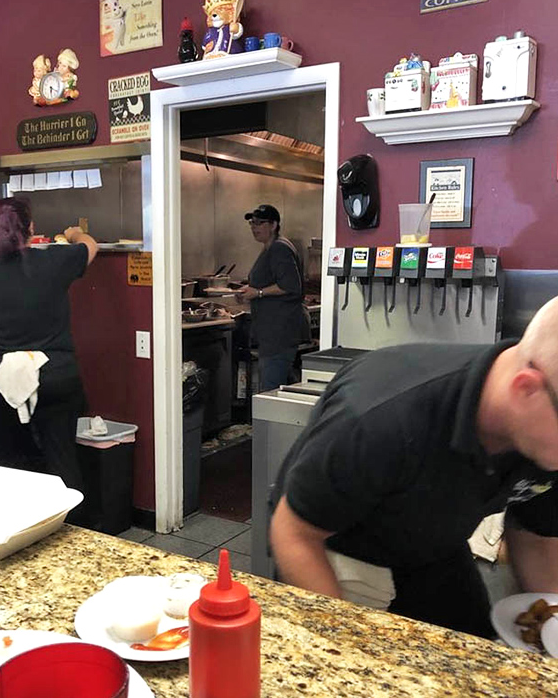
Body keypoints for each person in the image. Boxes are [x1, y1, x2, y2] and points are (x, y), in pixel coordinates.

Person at [269, 296, 558, 639]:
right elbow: (295, 535)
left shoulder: (542, 433)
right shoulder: (382, 418)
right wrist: (341, 647)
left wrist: (547, 631)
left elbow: (535, 535)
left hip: (432, 545)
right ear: (526, 390)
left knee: (471, 652)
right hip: (337, 543)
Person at [0, 197, 97, 499]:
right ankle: (69, 525)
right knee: (62, 459)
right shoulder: (55, 260)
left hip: (2, 379)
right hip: (54, 375)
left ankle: (14, 523)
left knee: (8, 462)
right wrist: (74, 233)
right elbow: (91, 246)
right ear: (31, 228)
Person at [236, 204, 308, 392]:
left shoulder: (279, 248)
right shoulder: (270, 248)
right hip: (272, 333)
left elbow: (290, 286)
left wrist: (258, 293)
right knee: (282, 385)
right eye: (252, 223)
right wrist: (250, 290)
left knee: (271, 389)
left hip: (279, 334)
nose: (254, 227)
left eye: (260, 223)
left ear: (274, 225)